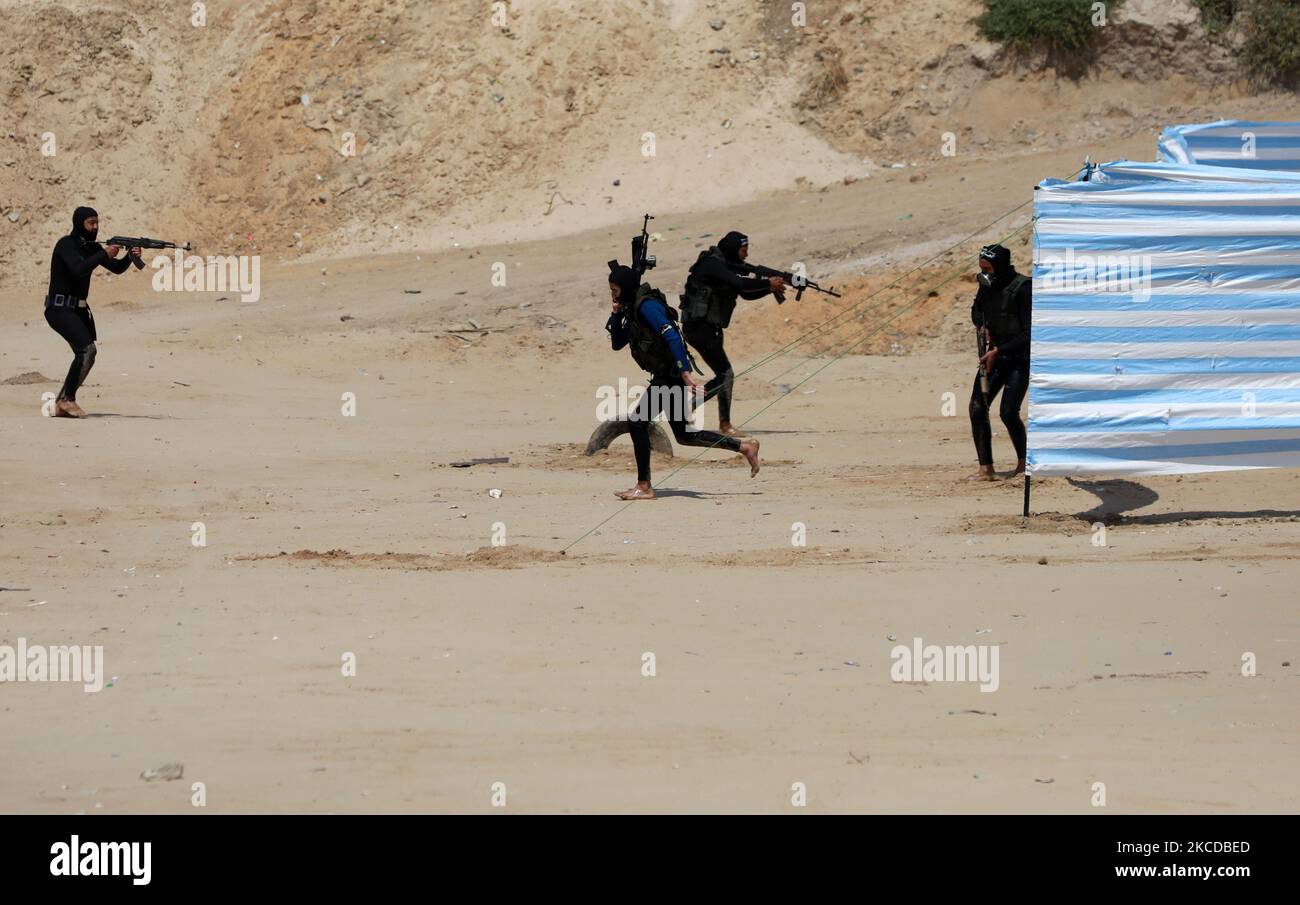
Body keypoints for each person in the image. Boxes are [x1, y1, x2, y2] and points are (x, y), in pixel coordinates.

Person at [606, 263, 760, 500]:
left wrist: (685, 371)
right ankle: (745, 447)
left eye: (615, 290)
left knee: (637, 422)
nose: (613, 294)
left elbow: (672, 335)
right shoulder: (632, 309)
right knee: (686, 436)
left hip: (670, 375)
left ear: (625, 288)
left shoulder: (647, 306)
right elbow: (617, 343)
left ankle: (644, 486)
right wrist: (616, 314)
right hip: (666, 375)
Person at [679, 230, 785, 437]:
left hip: (709, 328)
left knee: (723, 374)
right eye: (743, 250)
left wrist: (770, 289)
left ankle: (708, 415)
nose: (746, 255)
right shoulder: (712, 264)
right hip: (699, 328)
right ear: (733, 249)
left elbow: (744, 293)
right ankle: (717, 421)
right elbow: (740, 284)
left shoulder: (725, 266)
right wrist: (767, 283)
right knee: (725, 374)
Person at [45, 206, 141, 417]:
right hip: (59, 309)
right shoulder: (66, 244)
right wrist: (104, 253)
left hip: (78, 310)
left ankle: (62, 402)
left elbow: (116, 268)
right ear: (80, 224)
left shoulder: (91, 247)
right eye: (91, 223)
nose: (95, 227)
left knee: (85, 354)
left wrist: (129, 256)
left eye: (97, 223)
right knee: (87, 350)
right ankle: (67, 400)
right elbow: (78, 269)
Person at [968, 244, 1031, 481]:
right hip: (993, 356)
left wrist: (1000, 351)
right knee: (977, 406)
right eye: (981, 268)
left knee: (1008, 412)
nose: (984, 273)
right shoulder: (986, 286)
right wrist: (981, 326)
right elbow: (977, 310)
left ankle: (1024, 465)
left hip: (1019, 358)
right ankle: (986, 469)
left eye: (988, 269)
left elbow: (1029, 333)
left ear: (1001, 267)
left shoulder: (1023, 288)